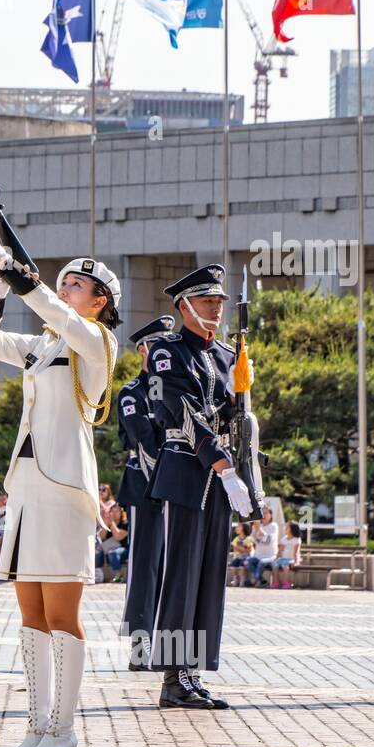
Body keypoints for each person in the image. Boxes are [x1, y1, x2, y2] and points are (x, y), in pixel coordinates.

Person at [0, 217, 120, 747]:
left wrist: (20, 275)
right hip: (29, 485)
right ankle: (37, 723)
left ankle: (63, 728)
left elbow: (58, 315)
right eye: (62, 282)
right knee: (30, 609)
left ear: (100, 301)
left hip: (63, 486)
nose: (65, 289)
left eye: (77, 285)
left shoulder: (96, 341)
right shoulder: (45, 341)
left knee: (62, 611)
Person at [145, 265, 256, 710]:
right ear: (184, 306)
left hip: (220, 476)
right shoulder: (166, 353)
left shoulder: (228, 356)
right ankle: (173, 677)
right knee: (181, 574)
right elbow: (179, 410)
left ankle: (192, 670)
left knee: (210, 575)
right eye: (207, 301)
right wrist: (220, 463)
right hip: (187, 471)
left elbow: (239, 419)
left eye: (219, 302)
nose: (215, 308)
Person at [117, 316, 172, 669]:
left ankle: (166, 649)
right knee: (144, 570)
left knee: (170, 569)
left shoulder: (173, 388)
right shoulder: (133, 393)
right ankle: (141, 649)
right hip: (146, 488)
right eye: (155, 347)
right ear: (142, 351)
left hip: (176, 490)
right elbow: (146, 439)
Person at [245, 508, 280, 587]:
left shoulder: (273, 526)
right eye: (262, 513)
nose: (264, 515)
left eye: (266, 513)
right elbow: (252, 539)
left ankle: (254, 581)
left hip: (271, 556)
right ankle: (262, 580)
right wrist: (255, 528)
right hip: (258, 555)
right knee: (247, 562)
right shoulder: (257, 526)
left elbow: (269, 540)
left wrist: (259, 530)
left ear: (271, 515)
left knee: (262, 563)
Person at [95, 505, 128, 582]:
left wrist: (112, 523)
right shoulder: (108, 524)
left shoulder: (125, 523)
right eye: (112, 511)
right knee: (97, 551)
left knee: (112, 553)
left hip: (124, 549)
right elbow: (101, 537)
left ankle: (118, 575)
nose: (114, 513)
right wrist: (106, 524)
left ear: (121, 513)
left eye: (117, 511)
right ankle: (96, 573)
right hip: (108, 550)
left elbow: (118, 537)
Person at [270, 522, 301, 589]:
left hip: (291, 559)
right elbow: (280, 551)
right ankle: (276, 582)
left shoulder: (296, 540)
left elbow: (295, 553)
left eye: (287, 527)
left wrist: (295, 562)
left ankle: (287, 582)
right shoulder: (284, 539)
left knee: (285, 565)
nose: (285, 528)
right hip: (284, 558)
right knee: (275, 564)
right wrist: (276, 558)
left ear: (292, 529)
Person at [227, 522, 253, 587]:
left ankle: (242, 581)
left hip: (246, 557)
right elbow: (235, 549)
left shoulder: (248, 539)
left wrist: (240, 549)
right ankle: (235, 580)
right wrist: (241, 549)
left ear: (244, 528)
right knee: (234, 565)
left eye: (239, 526)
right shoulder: (236, 539)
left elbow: (249, 550)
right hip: (239, 557)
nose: (236, 528)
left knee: (242, 566)